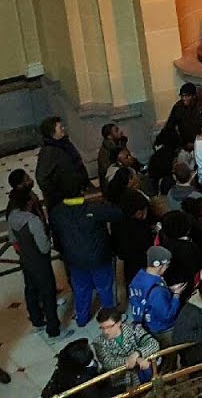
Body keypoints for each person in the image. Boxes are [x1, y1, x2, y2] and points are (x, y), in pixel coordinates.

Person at [49, 178, 122, 329]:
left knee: (81, 289)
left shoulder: (56, 212)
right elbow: (117, 213)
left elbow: (56, 237)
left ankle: (81, 318)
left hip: (74, 260)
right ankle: (110, 317)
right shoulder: (94, 208)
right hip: (99, 258)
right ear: (82, 191)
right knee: (105, 287)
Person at [8, 186, 61, 338]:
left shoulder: (12, 217)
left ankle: (37, 321)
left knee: (30, 290)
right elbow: (44, 248)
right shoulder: (33, 220)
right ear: (29, 202)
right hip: (40, 262)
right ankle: (53, 330)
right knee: (48, 294)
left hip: (25, 260)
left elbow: (13, 239)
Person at [91, 307, 160, 391]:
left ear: (119, 322)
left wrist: (137, 353)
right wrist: (135, 359)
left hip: (143, 371)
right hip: (122, 381)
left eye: (109, 327)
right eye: (102, 328)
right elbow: (109, 363)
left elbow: (153, 344)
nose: (106, 332)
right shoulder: (99, 343)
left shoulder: (134, 330)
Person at [128, 246, 185, 344]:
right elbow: (167, 316)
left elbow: (146, 295)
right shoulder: (158, 291)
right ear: (159, 266)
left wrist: (168, 290)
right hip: (161, 329)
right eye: (166, 265)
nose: (167, 268)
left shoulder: (138, 277)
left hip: (145, 323)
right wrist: (176, 295)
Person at [35, 116, 89, 207]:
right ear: (52, 132)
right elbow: (42, 178)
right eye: (60, 127)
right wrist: (58, 194)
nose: (63, 129)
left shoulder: (65, 145)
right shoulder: (49, 152)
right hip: (64, 200)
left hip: (76, 193)